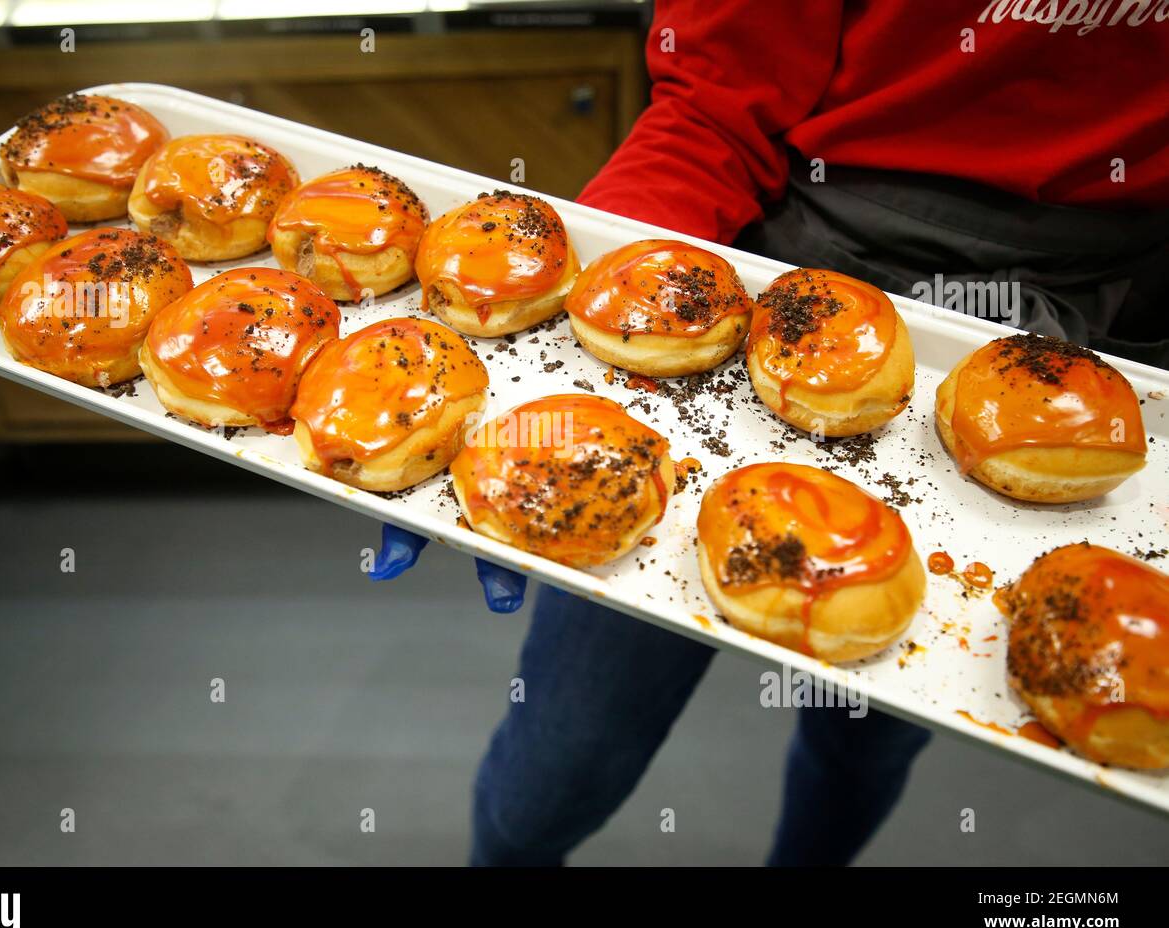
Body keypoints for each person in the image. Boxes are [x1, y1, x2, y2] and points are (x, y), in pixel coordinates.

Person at [372, 0, 1169, 865]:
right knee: (567, 745)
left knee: (879, 713)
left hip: (1102, 325)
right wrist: (539, 375)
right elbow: (711, 106)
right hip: (799, 265)